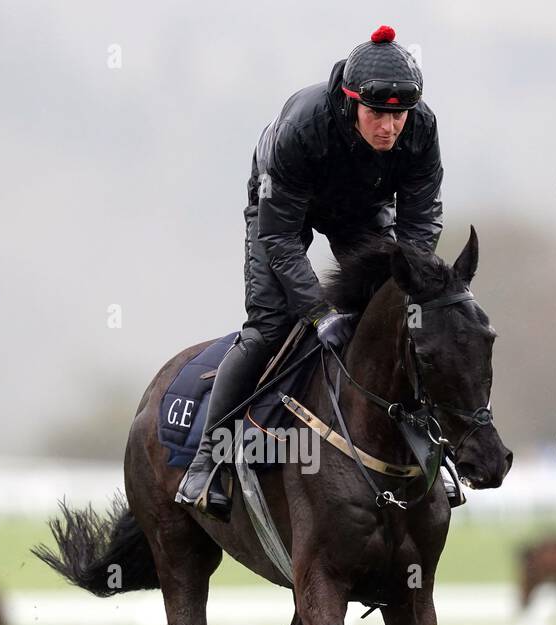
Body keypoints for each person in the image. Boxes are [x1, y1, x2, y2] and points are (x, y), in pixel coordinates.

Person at [175, 24, 445, 519]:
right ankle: (207, 461)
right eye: (377, 114)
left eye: (398, 115)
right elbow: (278, 239)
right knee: (269, 327)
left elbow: (421, 220)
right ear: (349, 102)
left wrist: (408, 280)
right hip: (281, 208)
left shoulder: (422, 131)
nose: (389, 127)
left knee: (396, 315)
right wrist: (320, 313)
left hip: (361, 210)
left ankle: (425, 448)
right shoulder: (303, 127)